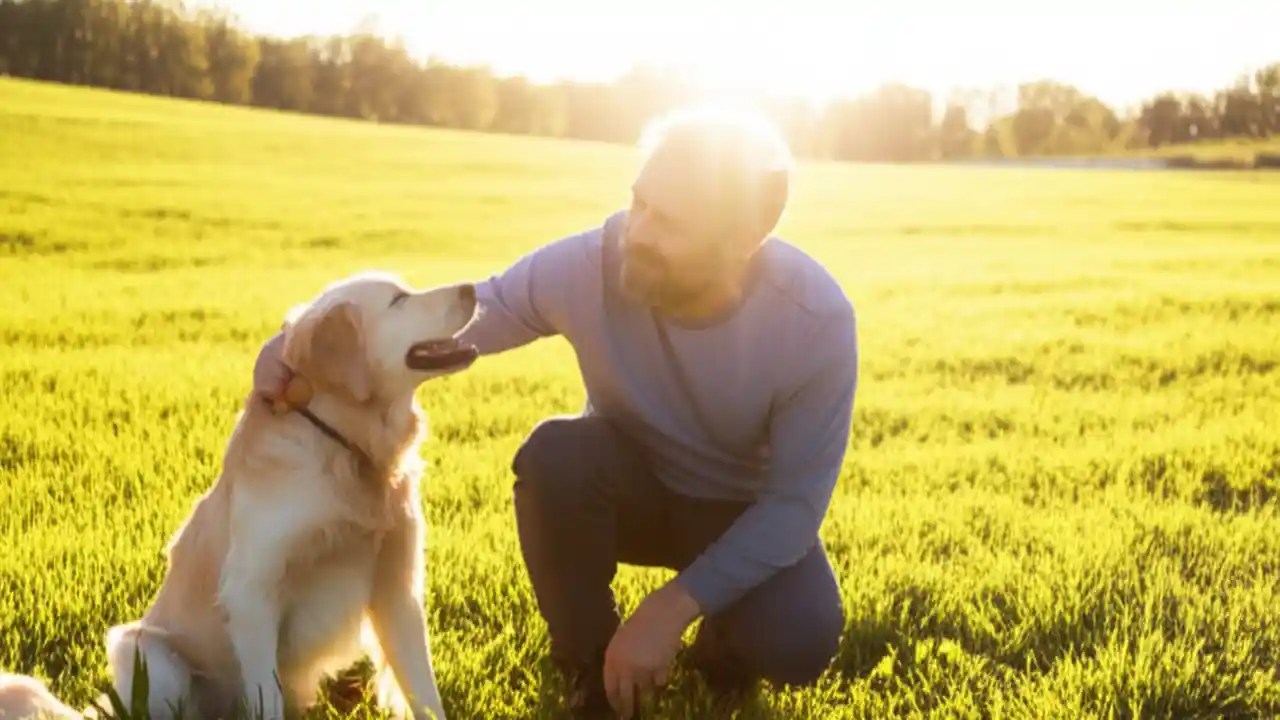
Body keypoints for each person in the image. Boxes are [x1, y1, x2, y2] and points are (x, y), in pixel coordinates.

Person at [253, 106, 858, 719]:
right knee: (557, 457)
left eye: (668, 222)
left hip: (739, 514)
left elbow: (792, 509)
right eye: (639, 203)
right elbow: (474, 313)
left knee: (799, 638)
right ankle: (592, 670)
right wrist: (293, 345)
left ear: (743, 238)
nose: (638, 231)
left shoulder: (814, 323)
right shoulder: (589, 265)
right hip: (628, 489)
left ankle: (717, 657)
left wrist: (668, 608)